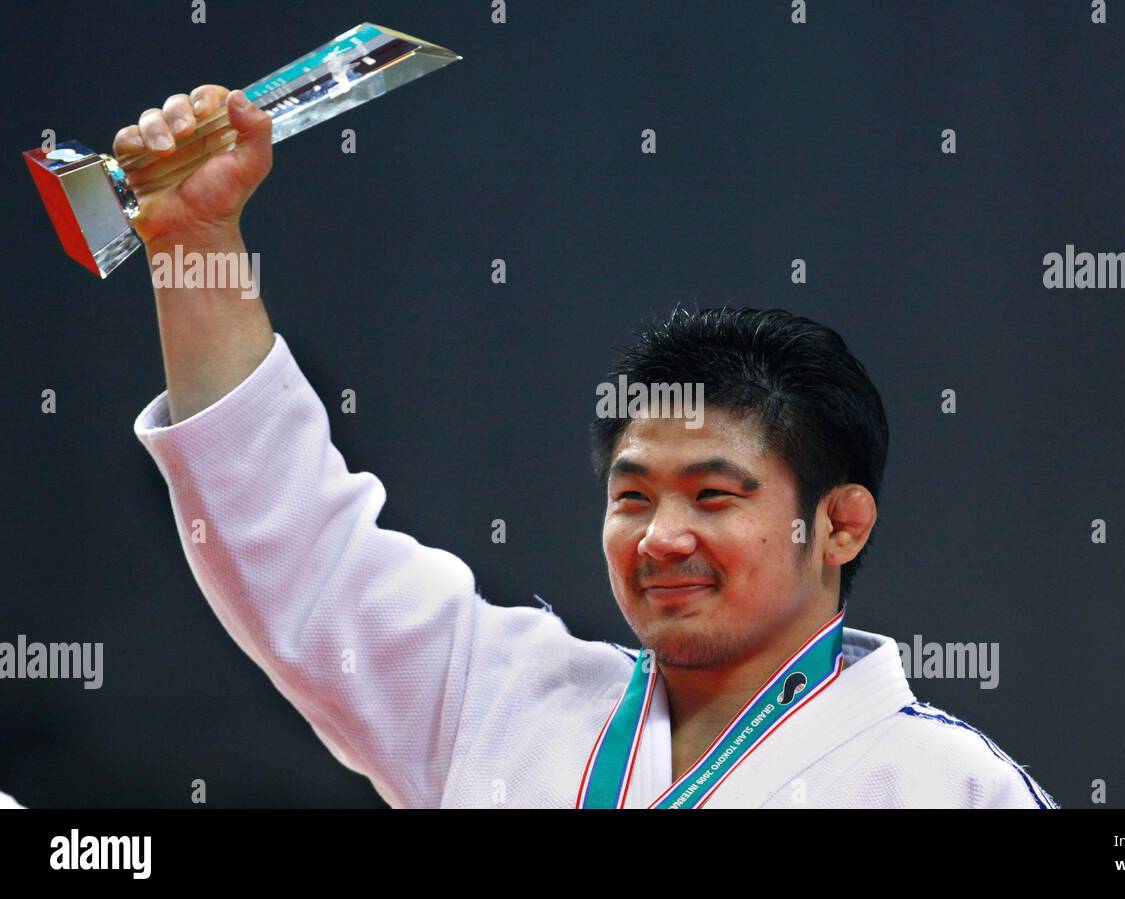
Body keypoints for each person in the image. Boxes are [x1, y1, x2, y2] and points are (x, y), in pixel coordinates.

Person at [123, 85, 1057, 808]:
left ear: (841, 522)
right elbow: (295, 548)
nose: (662, 537)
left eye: (715, 495)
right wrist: (193, 241)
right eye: (634, 495)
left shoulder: (943, 786)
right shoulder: (505, 697)